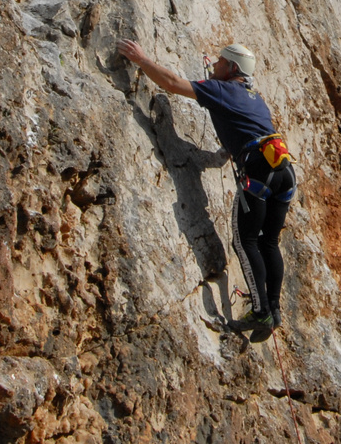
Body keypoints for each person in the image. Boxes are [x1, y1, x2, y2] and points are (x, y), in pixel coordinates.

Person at [117, 38, 295, 335]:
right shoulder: (256, 97)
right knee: (269, 242)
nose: (214, 66)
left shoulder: (222, 90)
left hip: (258, 171)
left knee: (245, 241)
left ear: (232, 67)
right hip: (283, 170)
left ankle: (262, 313)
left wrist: (142, 60)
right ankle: (273, 309)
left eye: (220, 63)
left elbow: (173, 83)